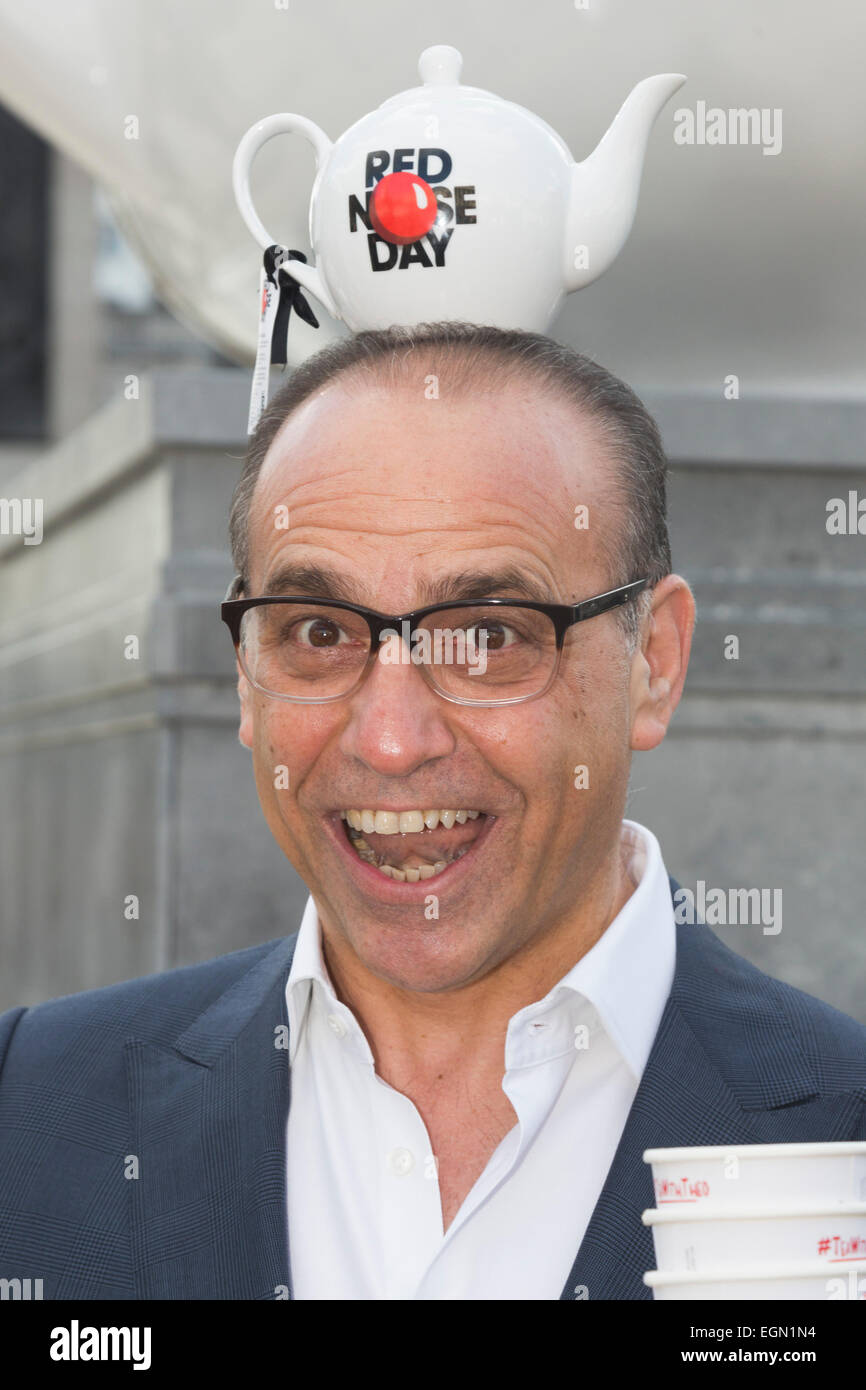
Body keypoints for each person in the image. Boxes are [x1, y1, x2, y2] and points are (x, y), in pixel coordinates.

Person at [1, 323, 864, 1302]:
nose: (391, 739)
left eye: (489, 636)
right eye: (318, 631)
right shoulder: (31, 1108)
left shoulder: (841, 1126)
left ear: (651, 663)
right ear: (245, 673)